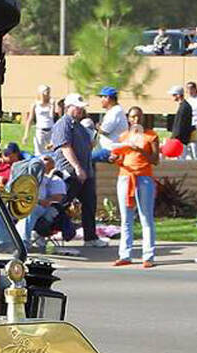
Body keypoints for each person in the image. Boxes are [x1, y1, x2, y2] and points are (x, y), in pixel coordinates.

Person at [50, 93, 105, 247]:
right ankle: (43, 231)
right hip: (70, 173)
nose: (80, 110)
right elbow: (65, 147)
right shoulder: (63, 124)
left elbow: (88, 146)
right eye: (77, 107)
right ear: (68, 107)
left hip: (85, 172)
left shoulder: (79, 125)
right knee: (62, 203)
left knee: (89, 204)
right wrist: (77, 167)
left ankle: (90, 238)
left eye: (82, 108)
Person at [108, 105, 159, 268]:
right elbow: (119, 157)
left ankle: (148, 256)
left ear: (142, 118)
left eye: (138, 116)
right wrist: (114, 158)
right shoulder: (123, 136)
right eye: (132, 117)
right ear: (128, 119)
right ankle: (125, 254)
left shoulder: (150, 136)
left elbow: (155, 159)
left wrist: (141, 151)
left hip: (144, 177)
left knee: (146, 217)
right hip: (125, 176)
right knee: (126, 218)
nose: (135, 119)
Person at [90, 87, 128, 163]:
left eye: (102, 97)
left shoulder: (114, 112)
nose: (101, 100)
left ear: (108, 98)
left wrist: (97, 127)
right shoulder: (116, 111)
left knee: (84, 158)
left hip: (110, 150)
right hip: (110, 148)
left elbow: (105, 131)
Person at [23, 84, 57, 155]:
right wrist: (26, 135)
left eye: (48, 91)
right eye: (45, 91)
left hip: (50, 130)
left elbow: (52, 116)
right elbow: (30, 119)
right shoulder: (35, 104)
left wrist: (53, 106)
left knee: (51, 151)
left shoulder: (51, 103)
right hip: (40, 130)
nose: (47, 93)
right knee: (39, 152)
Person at [168, 85, 193, 158]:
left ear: (178, 95)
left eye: (173, 95)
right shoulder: (184, 106)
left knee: (179, 161)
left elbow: (179, 125)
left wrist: (173, 138)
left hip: (180, 141)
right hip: (182, 140)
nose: (172, 97)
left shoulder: (184, 108)